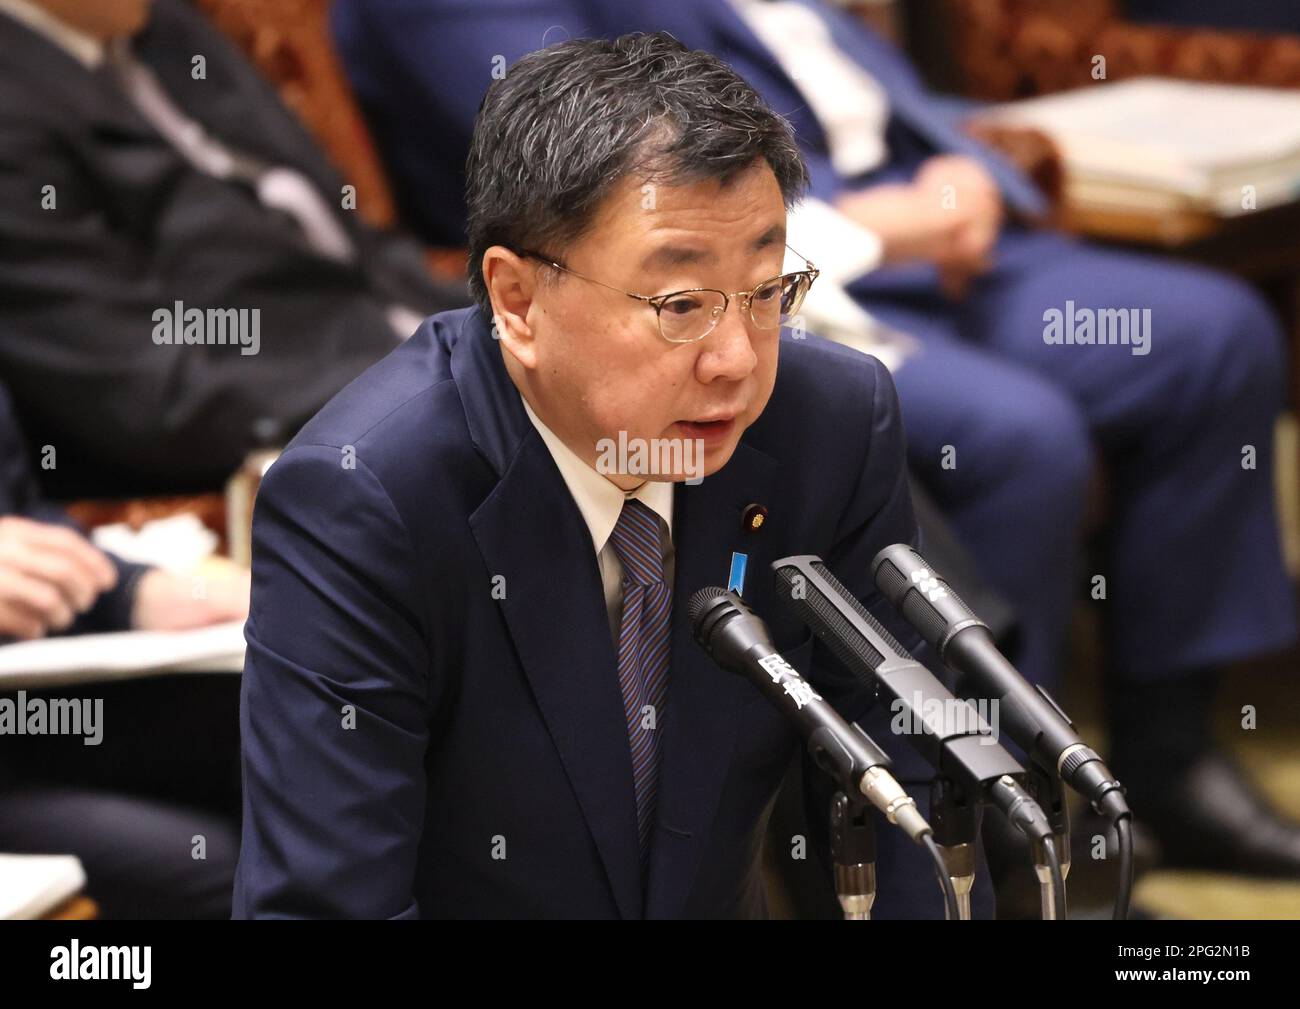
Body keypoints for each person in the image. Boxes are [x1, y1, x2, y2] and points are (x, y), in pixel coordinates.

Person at [334, 0, 1300, 878]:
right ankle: (1005, 829)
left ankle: (1152, 764)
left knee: (1215, 338)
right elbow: (591, 193)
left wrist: (965, 167)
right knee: (1020, 440)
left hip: (886, 242)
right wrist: (860, 239)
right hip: (816, 264)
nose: (733, 370)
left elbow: (863, 99)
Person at [233, 32, 983, 919]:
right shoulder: (367, 498)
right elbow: (325, 906)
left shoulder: (832, 424)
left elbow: (905, 766)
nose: (736, 360)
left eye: (767, 288)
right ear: (517, 300)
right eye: (681, 306)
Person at [0, 0, 467, 499]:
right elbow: (155, 396)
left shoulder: (163, 25)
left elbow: (352, 235)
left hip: (406, 344)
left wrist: (480, 330)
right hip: (278, 449)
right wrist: (430, 386)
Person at [0, 381, 248, 918]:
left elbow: (18, 512)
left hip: (29, 708)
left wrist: (136, 591)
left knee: (281, 726)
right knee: (226, 868)